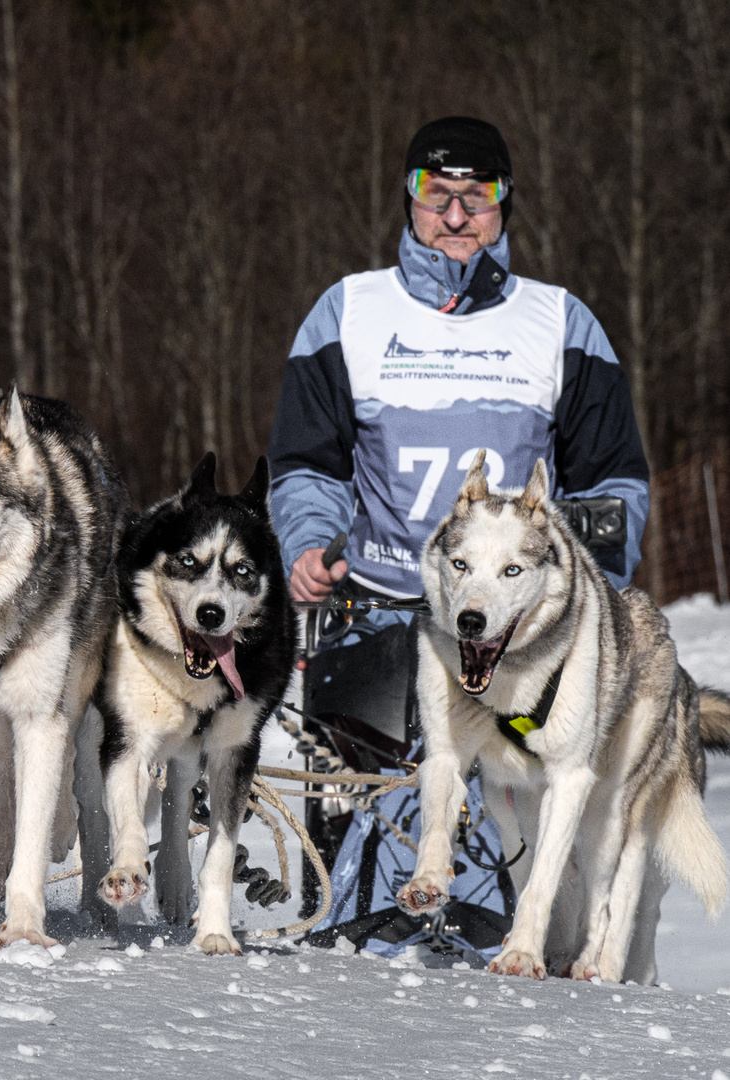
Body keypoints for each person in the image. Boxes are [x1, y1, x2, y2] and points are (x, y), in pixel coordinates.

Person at [267, 116, 650, 960]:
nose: (454, 214)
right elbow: (304, 463)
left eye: (477, 197)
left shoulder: (559, 323)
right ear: (408, 201)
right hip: (378, 605)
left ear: (504, 205)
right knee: (380, 808)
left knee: (522, 810)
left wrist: (594, 576)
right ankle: (365, 941)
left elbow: (611, 483)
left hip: (517, 624)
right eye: (434, 195)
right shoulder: (349, 311)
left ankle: (509, 953)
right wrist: (310, 539)